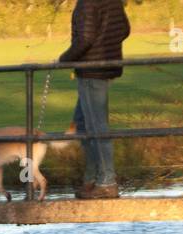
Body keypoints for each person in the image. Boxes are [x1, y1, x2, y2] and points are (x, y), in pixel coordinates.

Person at [59, 0, 131, 199]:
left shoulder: (87, 4)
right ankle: (91, 179)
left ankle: (107, 181)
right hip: (106, 65)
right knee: (83, 124)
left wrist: (64, 59)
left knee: (97, 127)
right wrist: (107, 44)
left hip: (92, 70)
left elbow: (86, 39)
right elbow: (124, 29)